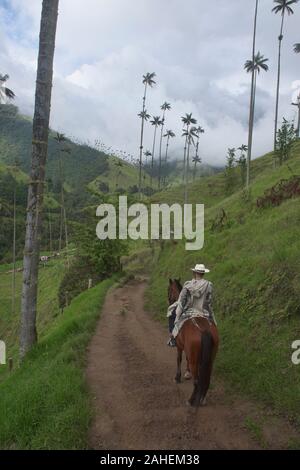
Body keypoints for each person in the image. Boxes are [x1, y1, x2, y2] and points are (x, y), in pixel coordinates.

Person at [168, 263, 216, 347]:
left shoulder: (188, 285)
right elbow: (209, 303)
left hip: (190, 313)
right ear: (203, 273)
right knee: (213, 326)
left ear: (194, 273)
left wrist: (177, 317)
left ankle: (173, 339)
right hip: (204, 313)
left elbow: (181, 303)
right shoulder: (209, 285)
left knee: (171, 312)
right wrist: (213, 318)